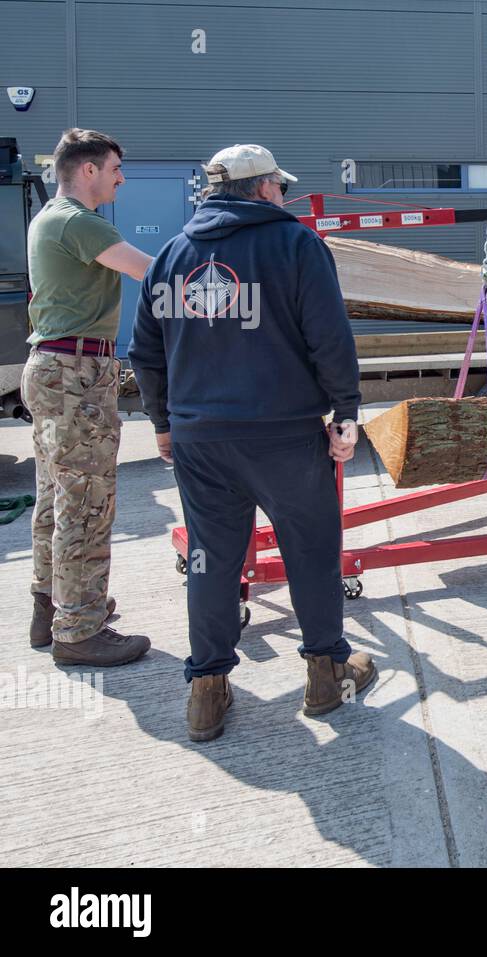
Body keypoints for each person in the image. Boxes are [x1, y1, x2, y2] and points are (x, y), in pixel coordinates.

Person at [129, 144, 372, 741]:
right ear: (263, 188)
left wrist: (163, 423)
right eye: (280, 186)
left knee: (211, 558)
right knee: (310, 549)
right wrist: (345, 410)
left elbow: (146, 351)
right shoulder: (296, 245)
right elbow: (329, 336)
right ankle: (326, 673)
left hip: (200, 438)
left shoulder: (172, 255)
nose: (284, 195)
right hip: (283, 433)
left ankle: (207, 690)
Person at [23, 129, 154, 666]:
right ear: (89, 170)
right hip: (75, 375)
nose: (121, 179)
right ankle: (79, 631)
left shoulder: (50, 217)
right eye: (116, 169)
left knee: (56, 496)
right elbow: (151, 270)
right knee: (86, 503)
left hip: (57, 369)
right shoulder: (79, 221)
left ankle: (53, 609)